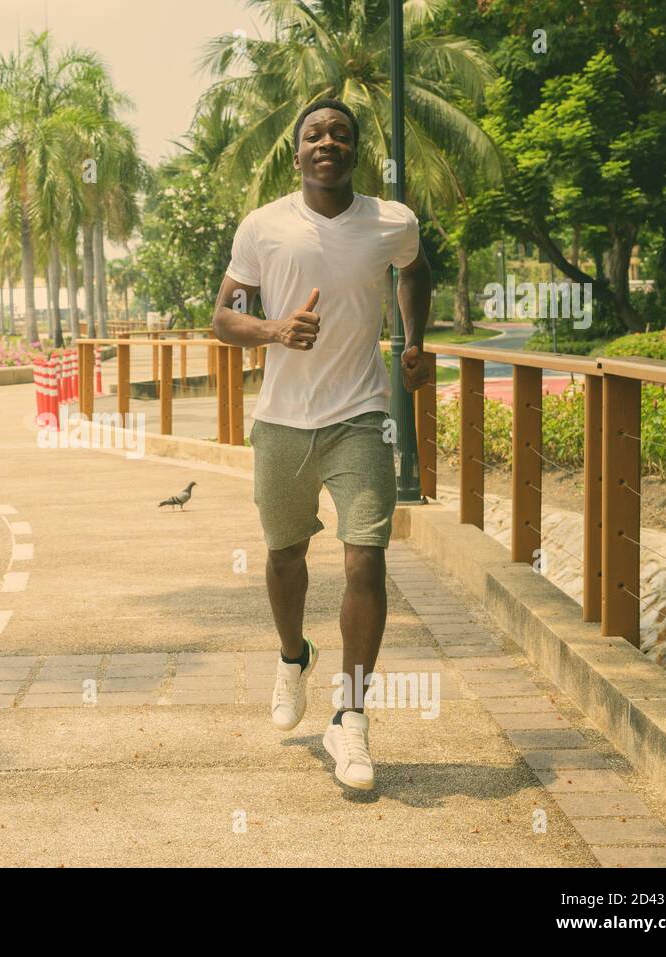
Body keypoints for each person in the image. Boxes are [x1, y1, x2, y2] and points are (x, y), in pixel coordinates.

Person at [212, 97, 432, 790]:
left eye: (339, 133)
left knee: (365, 558)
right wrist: (274, 330)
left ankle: (353, 714)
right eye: (314, 134)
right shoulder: (263, 227)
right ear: (298, 151)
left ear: (354, 149)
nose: (326, 142)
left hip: (362, 416)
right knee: (284, 557)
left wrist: (414, 341)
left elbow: (415, 272)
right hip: (283, 421)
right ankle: (291, 654)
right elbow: (222, 317)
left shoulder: (391, 222)